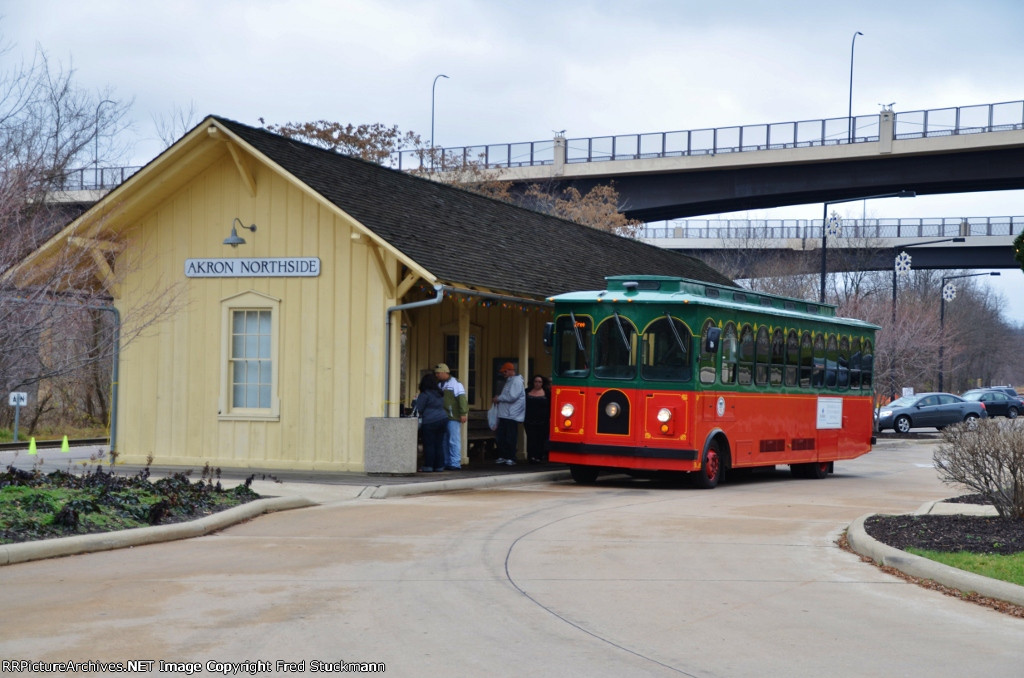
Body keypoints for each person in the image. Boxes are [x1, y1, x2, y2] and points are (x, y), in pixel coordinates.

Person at [434, 363, 468, 471]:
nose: (437, 375)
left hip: (453, 417)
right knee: (444, 440)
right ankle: (446, 461)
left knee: (453, 440)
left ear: (445, 372)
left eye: (438, 373)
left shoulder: (456, 384)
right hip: (443, 416)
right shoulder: (439, 385)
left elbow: (462, 399)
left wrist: (463, 413)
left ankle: (455, 462)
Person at [412, 373, 448, 472]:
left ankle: (429, 466)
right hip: (443, 419)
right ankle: (439, 466)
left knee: (429, 444)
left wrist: (414, 401)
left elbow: (419, 408)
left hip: (430, 421)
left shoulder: (425, 394)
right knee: (439, 444)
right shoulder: (440, 393)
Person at [492, 362, 525, 465]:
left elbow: (512, 397)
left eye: (505, 371)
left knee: (510, 437)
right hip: (505, 414)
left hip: (511, 415)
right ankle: (503, 456)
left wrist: (499, 398)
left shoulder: (516, 381)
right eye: (503, 372)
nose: (504, 374)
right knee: (502, 437)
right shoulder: (509, 381)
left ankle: (511, 457)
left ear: (511, 370)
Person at [524, 374, 551, 464]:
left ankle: (538, 456)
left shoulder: (547, 393)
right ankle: (531, 456)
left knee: (540, 439)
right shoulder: (527, 391)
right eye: (536, 381)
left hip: (543, 421)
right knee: (531, 438)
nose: (537, 384)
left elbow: (551, 406)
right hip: (529, 420)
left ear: (543, 383)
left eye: (540, 382)